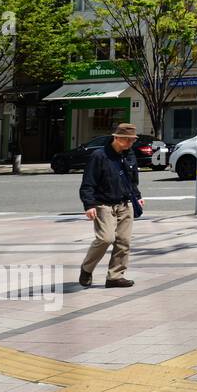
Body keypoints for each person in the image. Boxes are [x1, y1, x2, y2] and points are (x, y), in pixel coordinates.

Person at [78, 123, 144, 289]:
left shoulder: (129, 155)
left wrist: (137, 196)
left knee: (124, 241)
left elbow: (132, 179)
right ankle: (87, 269)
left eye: (132, 140)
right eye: (126, 140)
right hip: (103, 204)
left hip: (125, 202)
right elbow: (88, 183)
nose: (129, 143)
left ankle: (115, 276)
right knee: (106, 238)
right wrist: (89, 204)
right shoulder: (99, 156)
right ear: (116, 138)